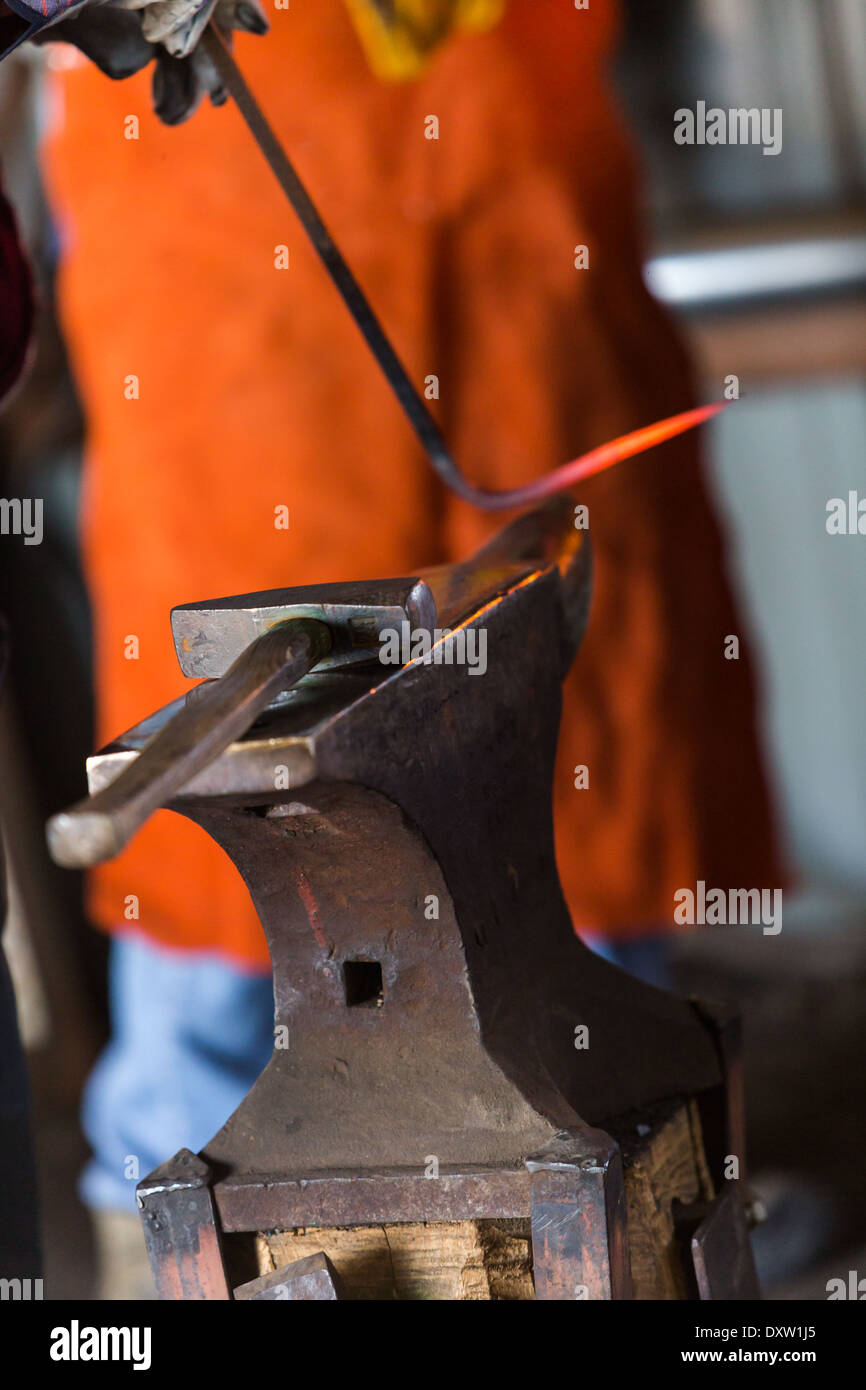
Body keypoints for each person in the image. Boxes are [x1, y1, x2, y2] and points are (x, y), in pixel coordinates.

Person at [34, 0, 781, 1288]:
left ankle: (633, 1188)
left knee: (575, 727)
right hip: (227, 231)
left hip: (521, 204)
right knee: (248, 802)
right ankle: (180, 1230)